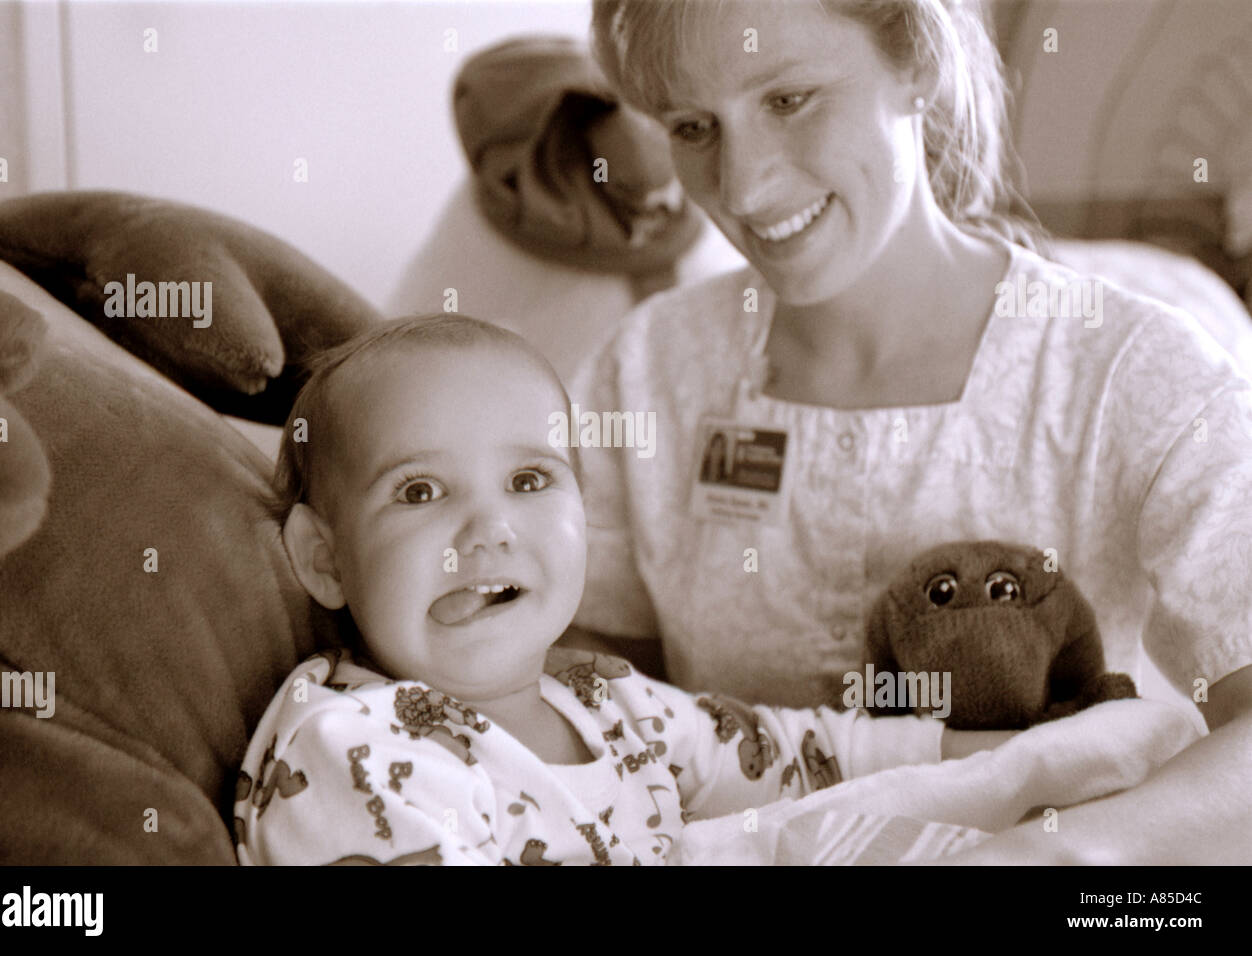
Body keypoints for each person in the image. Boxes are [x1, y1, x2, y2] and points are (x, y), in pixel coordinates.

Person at [566, 0, 1252, 862]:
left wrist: (1058, 856)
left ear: (918, 62)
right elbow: (589, 708)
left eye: (789, 100)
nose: (743, 187)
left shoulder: (1134, 370)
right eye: (695, 127)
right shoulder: (645, 371)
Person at [233, 316, 1008, 866]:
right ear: (324, 560)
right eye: (420, 491)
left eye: (529, 479)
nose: (488, 530)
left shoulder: (607, 698)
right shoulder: (354, 746)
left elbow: (803, 757)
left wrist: (1004, 757)